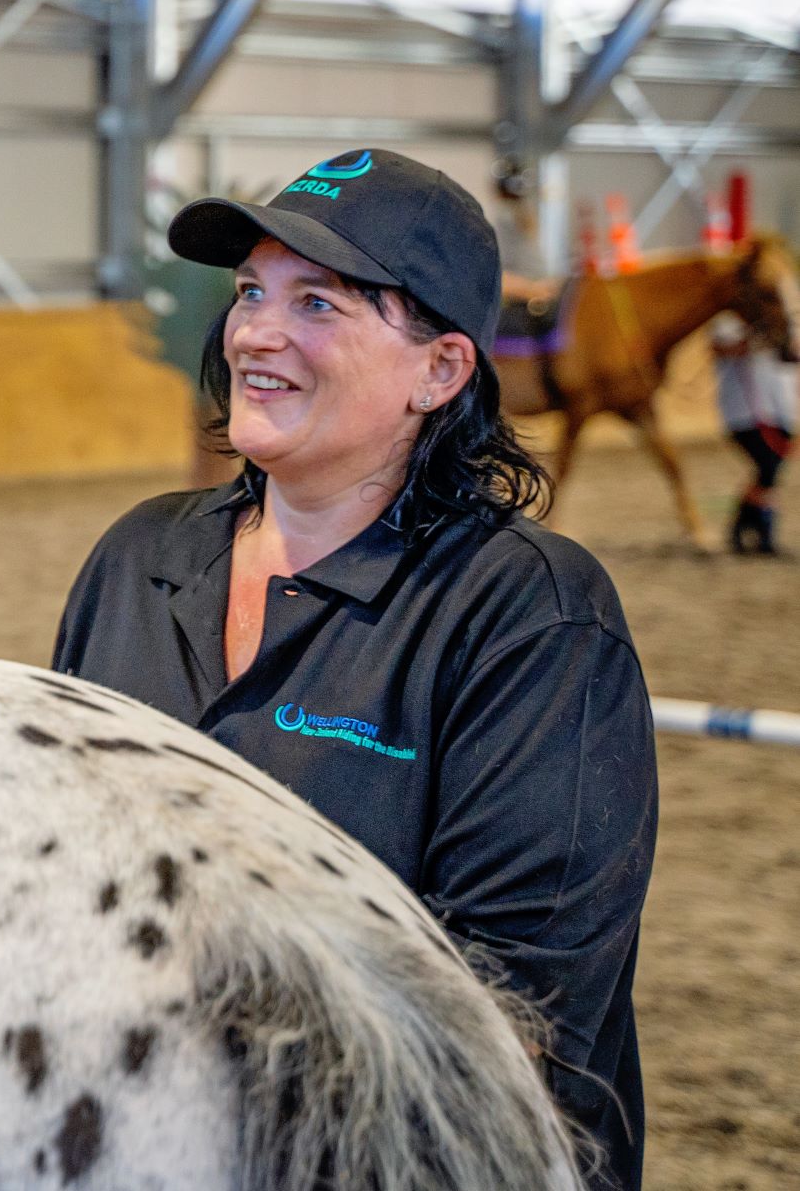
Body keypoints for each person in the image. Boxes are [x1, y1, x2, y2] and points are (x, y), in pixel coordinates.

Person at [51, 149, 657, 1191]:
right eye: (251, 292)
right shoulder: (139, 557)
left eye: (319, 302)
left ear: (442, 371)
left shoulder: (531, 617)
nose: (255, 333)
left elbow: (510, 1019)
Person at [712, 312, 794, 555]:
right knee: (767, 468)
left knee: (770, 472)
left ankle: (751, 528)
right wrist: (757, 337)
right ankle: (753, 530)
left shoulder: (783, 318)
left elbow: (790, 354)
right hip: (745, 411)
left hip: (781, 407)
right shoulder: (727, 319)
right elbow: (720, 348)